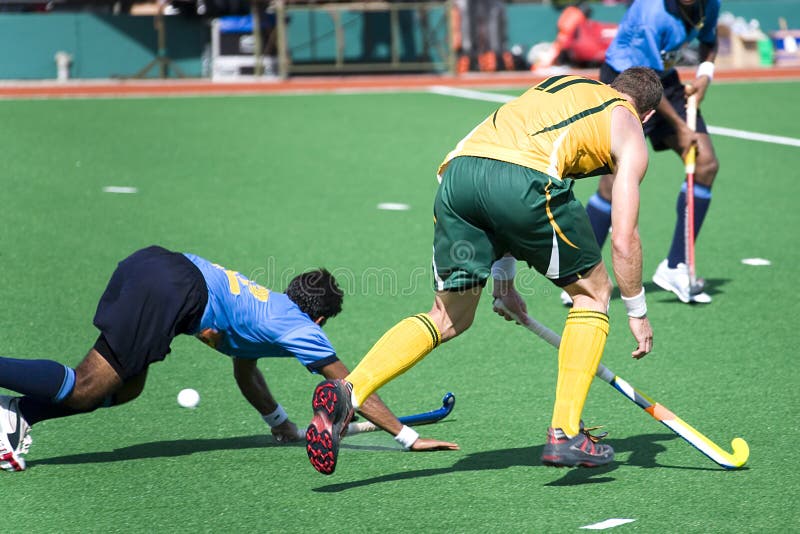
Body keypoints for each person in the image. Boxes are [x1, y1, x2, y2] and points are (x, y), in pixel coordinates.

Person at [306, 68, 661, 475]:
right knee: (593, 294)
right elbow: (623, 238)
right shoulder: (630, 128)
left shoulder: (569, 86)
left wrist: (504, 283)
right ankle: (565, 432)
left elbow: (501, 183)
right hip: (524, 180)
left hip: (459, 176)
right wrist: (637, 311)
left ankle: (349, 391)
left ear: (612, 86)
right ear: (648, 115)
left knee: (448, 316)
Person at [0, 245, 457, 472]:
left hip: (154, 265)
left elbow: (246, 372)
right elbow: (352, 388)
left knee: (127, 387)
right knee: (85, 387)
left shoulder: (269, 307)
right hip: (172, 290)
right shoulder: (302, 330)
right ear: (320, 318)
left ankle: (18, 414)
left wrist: (279, 422)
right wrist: (407, 437)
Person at [580, 0, 721, 304]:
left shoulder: (709, 4)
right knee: (611, 182)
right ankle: (582, 275)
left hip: (663, 81)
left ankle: (676, 266)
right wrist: (681, 128)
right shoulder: (651, 13)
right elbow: (647, 83)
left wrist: (704, 76)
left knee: (705, 164)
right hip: (624, 83)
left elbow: (709, 40)